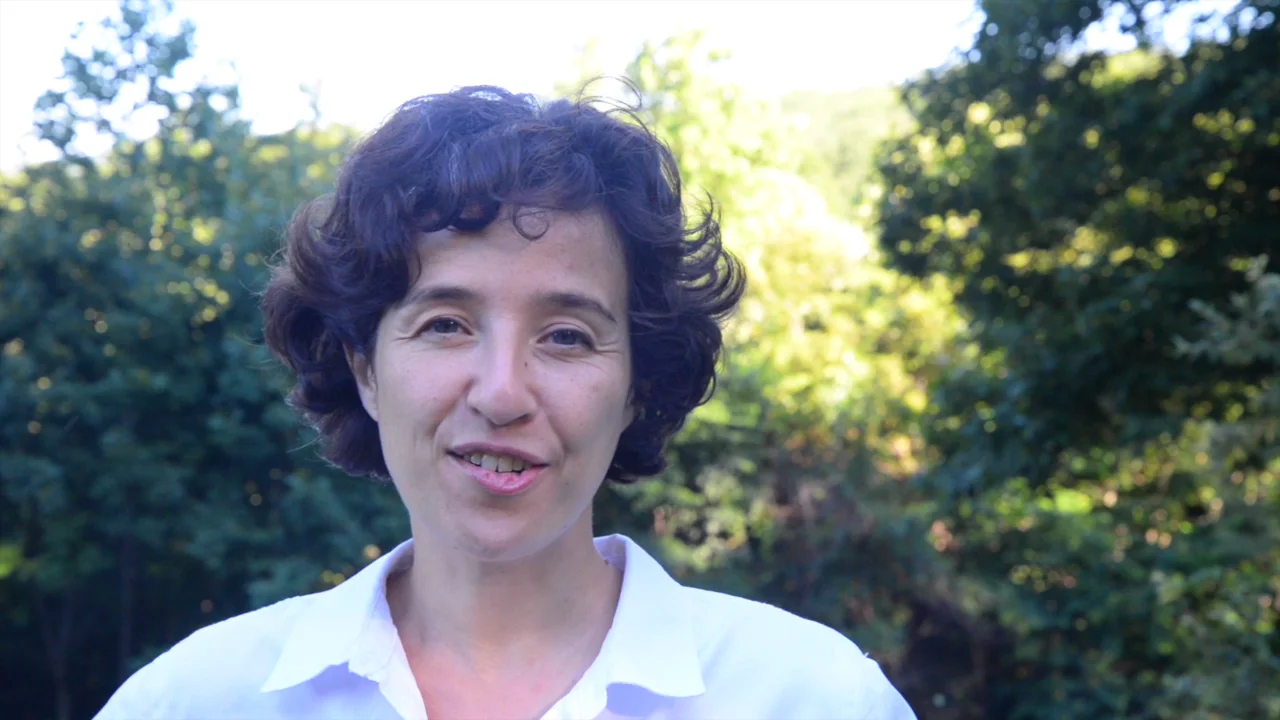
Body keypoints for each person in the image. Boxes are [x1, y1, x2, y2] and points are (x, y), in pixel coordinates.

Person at [95, 86, 917, 720]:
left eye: (566, 336)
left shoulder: (816, 699)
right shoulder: (193, 701)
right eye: (446, 324)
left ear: (638, 386)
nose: (501, 393)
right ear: (365, 369)